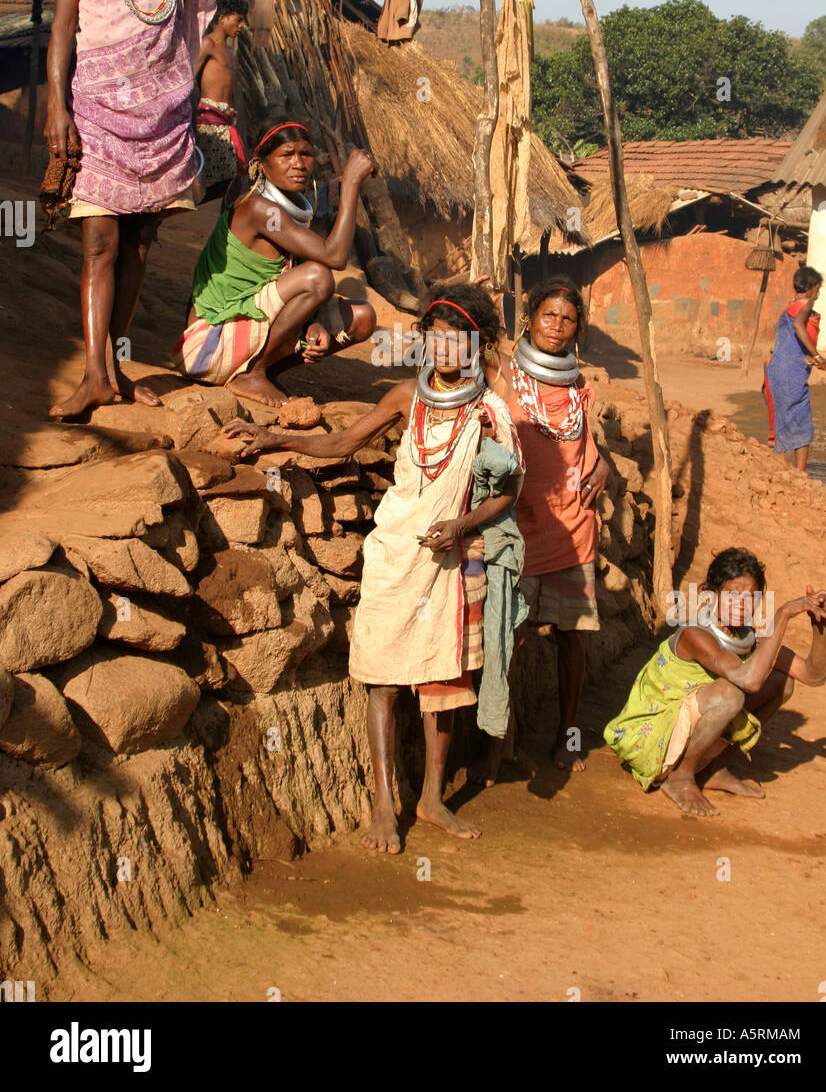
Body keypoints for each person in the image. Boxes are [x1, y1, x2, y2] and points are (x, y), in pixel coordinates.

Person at [223, 285, 524, 853]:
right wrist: (274, 437)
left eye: (454, 338)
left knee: (443, 680)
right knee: (383, 678)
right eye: (432, 337)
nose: (441, 348)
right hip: (396, 552)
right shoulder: (403, 397)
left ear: (477, 344)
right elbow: (341, 443)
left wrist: (462, 527)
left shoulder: (491, 412)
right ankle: (384, 805)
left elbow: (509, 491)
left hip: (453, 557)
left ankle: (432, 799)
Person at [45, 0, 217, 419]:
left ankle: (115, 368)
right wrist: (55, 105)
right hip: (95, 107)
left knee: (140, 242)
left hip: (160, 116)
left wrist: (182, 101)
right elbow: (62, 29)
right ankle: (94, 375)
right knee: (100, 239)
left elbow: (191, 38)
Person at [472, 278, 609, 784]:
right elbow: (462, 346)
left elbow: (583, 448)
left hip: (573, 530)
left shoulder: (579, 387)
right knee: (505, 638)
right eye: (548, 316)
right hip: (517, 529)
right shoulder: (504, 375)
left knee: (573, 641)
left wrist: (604, 468)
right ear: (530, 318)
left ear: (578, 327)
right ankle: (494, 744)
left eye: (568, 318)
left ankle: (566, 734)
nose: (557, 326)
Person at [604, 547, 826, 817]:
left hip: (685, 729)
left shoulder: (750, 639)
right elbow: (748, 681)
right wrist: (784, 613)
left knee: (781, 683)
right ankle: (680, 777)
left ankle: (713, 770)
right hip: (651, 738)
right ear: (711, 596)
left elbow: (813, 676)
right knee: (731, 693)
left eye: (750, 597)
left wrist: (820, 629)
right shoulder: (695, 635)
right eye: (731, 595)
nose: (741, 604)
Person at [173, 117, 377, 406]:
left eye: (305, 154)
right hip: (207, 346)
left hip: (243, 332)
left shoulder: (290, 209)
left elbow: (287, 286)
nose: (298, 163)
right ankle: (253, 373)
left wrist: (312, 324)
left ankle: (263, 371)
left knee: (362, 317)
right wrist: (351, 182)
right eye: (286, 154)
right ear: (261, 164)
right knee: (318, 276)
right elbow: (335, 257)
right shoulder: (257, 209)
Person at [763, 264, 826, 472]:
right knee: (801, 419)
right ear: (811, 289)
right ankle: (800, 473)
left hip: (777, 369)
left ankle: (780, 466)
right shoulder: (805, 304)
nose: (817, 296)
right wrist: (817, 355)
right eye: (817, 290)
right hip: (790, 370)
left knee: (783, 417)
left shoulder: (791, 305)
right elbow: (799, 326)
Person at [194, 0, 249, 203]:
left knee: (232, 179)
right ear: (222, 18)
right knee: (222, 179)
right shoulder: (208, 44)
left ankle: (224, 223)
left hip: (226, 123)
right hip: (208, 124)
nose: (241, 26)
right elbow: (190, 76)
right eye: (238, 20)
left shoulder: (229, 53)